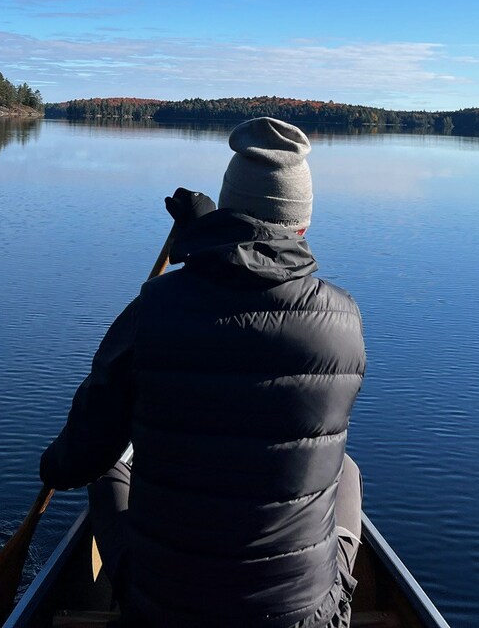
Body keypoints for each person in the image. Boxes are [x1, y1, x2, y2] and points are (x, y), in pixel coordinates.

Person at [39, 117, 367, 628]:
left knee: (110, 467)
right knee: (344, 469)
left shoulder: (156, 308)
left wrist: (202, 240)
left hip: (165, 611)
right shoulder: (342, 321)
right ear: (303, 224)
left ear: (229, 206)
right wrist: (209, 238)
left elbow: (76, 462)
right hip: (302, 617)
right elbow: (255, 329)